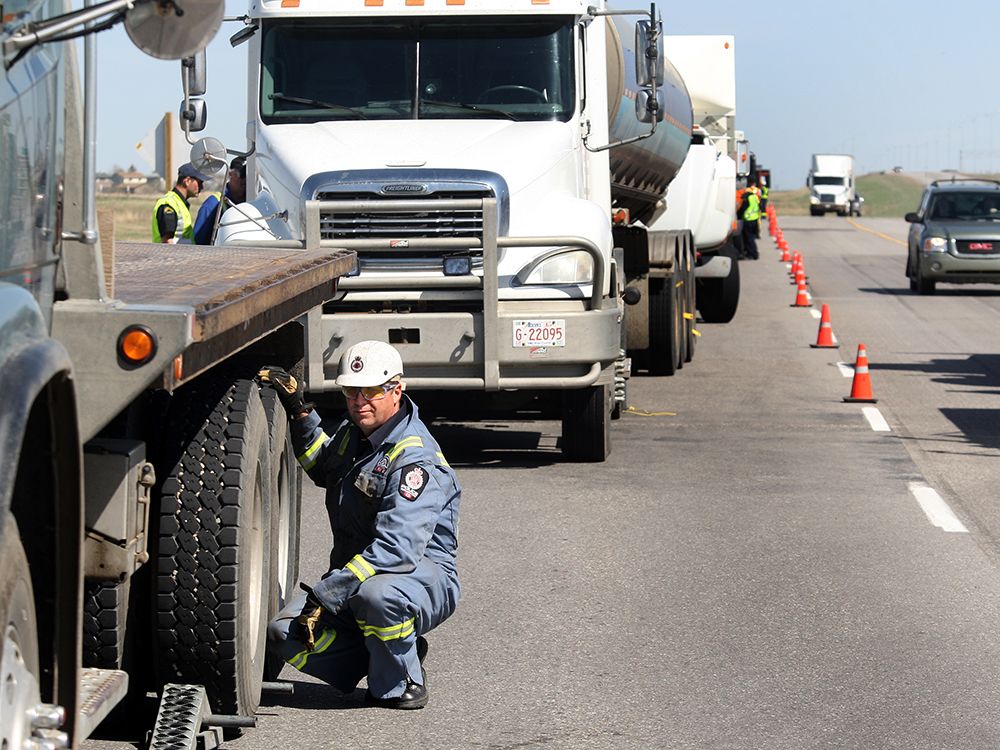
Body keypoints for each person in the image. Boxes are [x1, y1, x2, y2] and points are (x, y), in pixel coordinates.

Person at [260, 341, 461, 710]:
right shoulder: (357, 433)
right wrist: (299, 411)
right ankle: (386, 656)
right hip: (357, 574)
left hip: (416, 575)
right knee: (281, 634)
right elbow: (322, 465)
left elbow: (396, 551)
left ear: (396, 390)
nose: (358, 401)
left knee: (377, 597)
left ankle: (401, 681)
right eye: (351, 391)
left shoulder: (414, 460)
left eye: (370, 391)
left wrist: (327, 593)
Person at [151, 162, 209, 243]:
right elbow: (167, 242)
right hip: (170, 255)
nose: (202, 187)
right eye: (199, 182)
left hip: (182, 255)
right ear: (187, 181)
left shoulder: (180, 203)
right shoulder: (169, 203)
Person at [193, 157, 247, 245]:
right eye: (240, 174)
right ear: (230, 174)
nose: (244, 180)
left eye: (248, 176)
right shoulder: (213, 204)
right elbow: (199, 241)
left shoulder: (253, 204)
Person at [739, 178, 762, 260]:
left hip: (748, 220)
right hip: (755, 219)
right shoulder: (755, 196)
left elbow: (742, 209)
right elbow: (759, 206)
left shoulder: (746, 197)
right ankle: (752, 253)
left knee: (749, 238)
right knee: (751, 237)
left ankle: (753, 254)